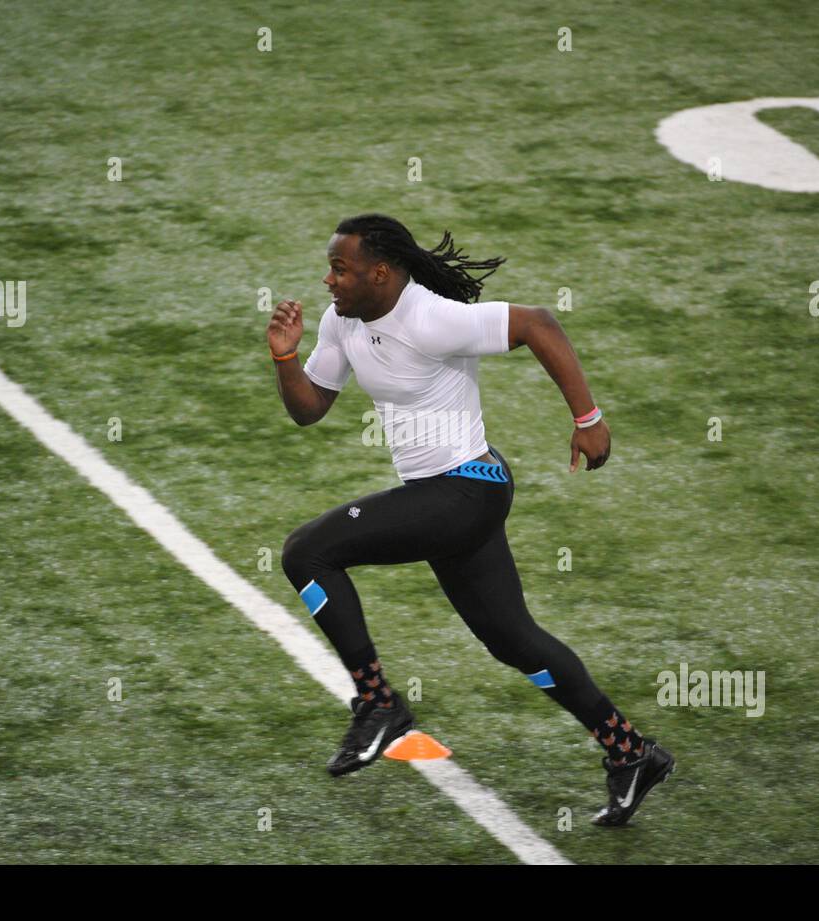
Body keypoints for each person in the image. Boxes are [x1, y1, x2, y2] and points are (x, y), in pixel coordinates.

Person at [266, 214, 673, 826]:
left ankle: (377, 705)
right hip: (449, 499)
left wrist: (588, 419)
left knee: (307, 553)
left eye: (341, 268)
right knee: (512, 640)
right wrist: (286, 357)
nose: (329, 279)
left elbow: (539, 322)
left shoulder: (429, 317)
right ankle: (631, 751)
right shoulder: (342, 321)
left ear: (381, 272)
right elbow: (310, 409)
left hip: (465, 491)